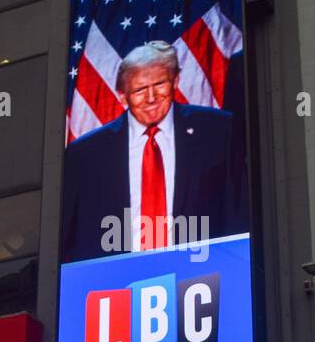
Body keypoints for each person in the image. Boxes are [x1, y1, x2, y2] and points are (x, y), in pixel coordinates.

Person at [60, 41, 248, 263]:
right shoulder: (85, 154)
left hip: (201, 272)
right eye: (139, 89)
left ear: (175, 81)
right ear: (122, 95)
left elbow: (238, 213)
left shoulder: (218, 130)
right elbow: (66, 239)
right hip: (115, 284)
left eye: (160, 84)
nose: (151, 97)